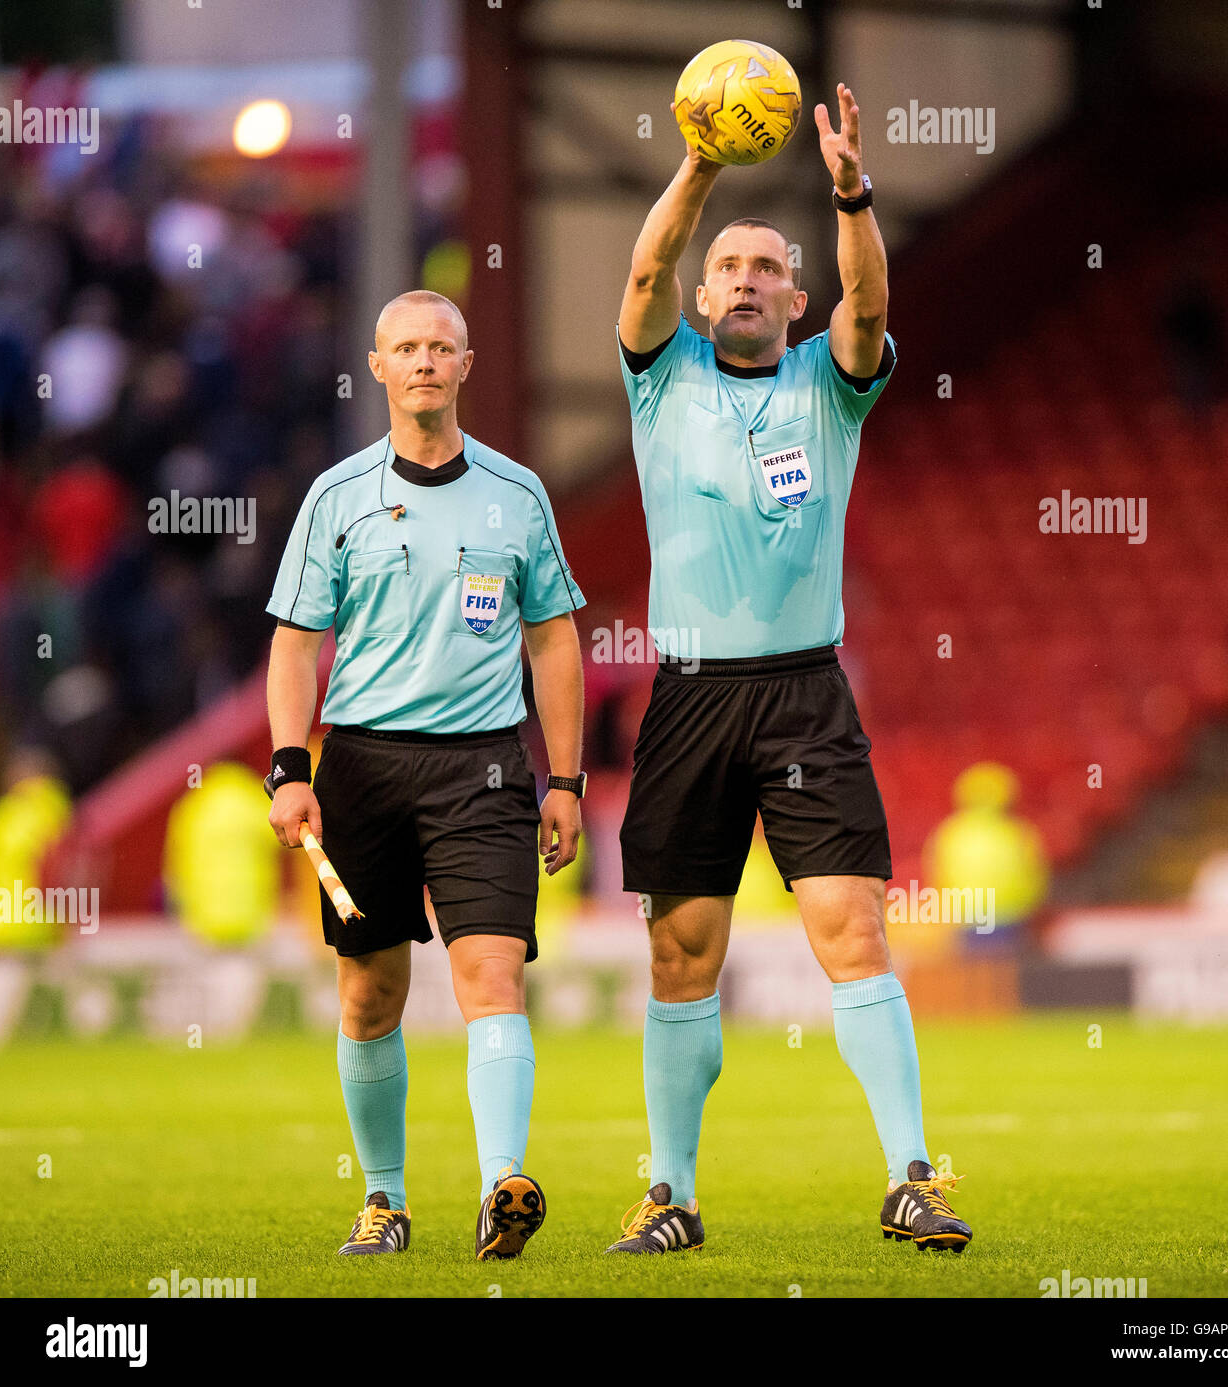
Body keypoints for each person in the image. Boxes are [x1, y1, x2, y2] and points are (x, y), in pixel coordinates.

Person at [607, 85, 971, 1255]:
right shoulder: (660, 377)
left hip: (805, 693)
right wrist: (703, 163)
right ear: (706, 295)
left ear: (795, 298)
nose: (750, 279)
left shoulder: (830, 380)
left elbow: (871, 297)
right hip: (690, 695)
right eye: (732, 267)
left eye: (771, 266)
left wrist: (850, 183)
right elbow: (643, 266)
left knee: (850, 929)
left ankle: (911, 1174)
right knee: (681, 950)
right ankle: (669, 1193)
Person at [265, 290, 587, 1260]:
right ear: (377, 368)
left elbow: (554, 638)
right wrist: (289, 768)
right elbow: (292, 644)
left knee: (493, 976)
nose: (423, 362)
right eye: (405, 347)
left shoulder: (518, 493)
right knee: (371, 995)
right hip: (361, 764)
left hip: (484, 768)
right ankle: (385, 1198)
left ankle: (502, 1187)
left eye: (440, 346)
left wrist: (563, 780)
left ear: (466, 364)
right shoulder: (337, 496)